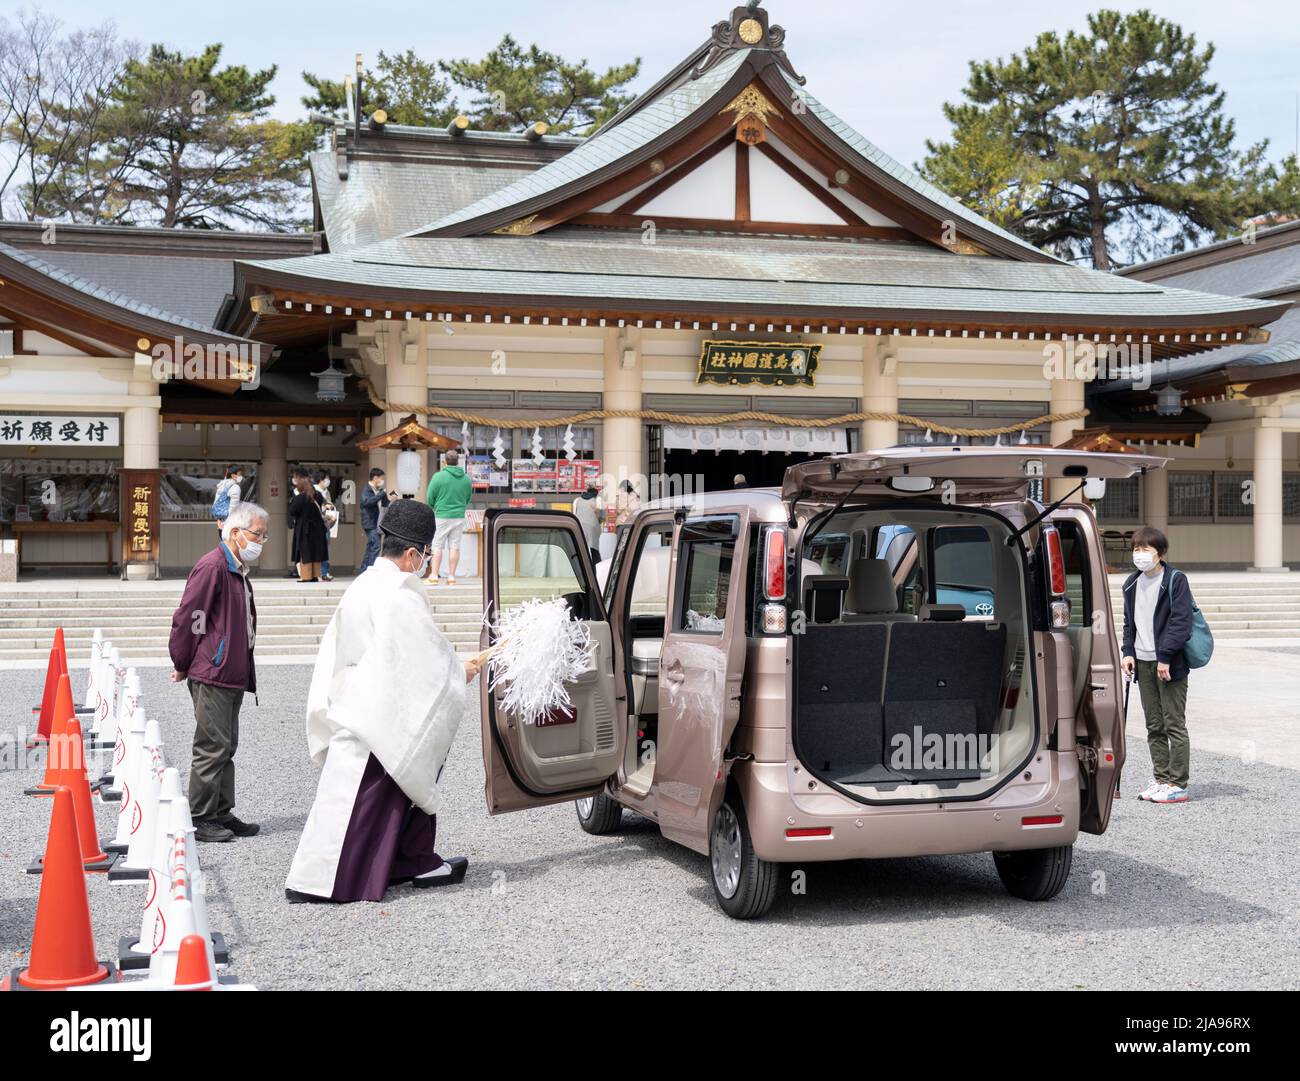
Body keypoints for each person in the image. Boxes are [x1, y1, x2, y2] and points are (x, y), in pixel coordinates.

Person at [284, 500, 486, 903]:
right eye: (426, 554)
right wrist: (457, 671)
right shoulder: (399, 592)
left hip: (356, 704)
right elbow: (423, 657)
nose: (426, 562)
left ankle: (405, 861)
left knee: (356, 797)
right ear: (413, 554)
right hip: (381, 713)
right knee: (386, 787)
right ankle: (344, 880)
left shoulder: (364, 583)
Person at [168, 502, 267, 843]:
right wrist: (182, 662)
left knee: (226, 745)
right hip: (213, 670)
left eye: (264, 536)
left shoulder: (235, 568)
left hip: (230, 670)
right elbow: (190, 616)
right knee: (212, 745)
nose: (261, 541)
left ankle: (221, 811)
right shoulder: (213, 567)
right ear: (235, 532)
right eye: (257, 534)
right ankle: (200, 816)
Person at [1121, 526, 1194, 805]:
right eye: (1136, 549)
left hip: (1168, 663)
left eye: (1146, 549)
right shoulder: (1131, 583)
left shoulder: (1175, 580)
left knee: (1174, 723)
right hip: (1143, 662)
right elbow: (1130, 622)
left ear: (1159, 553)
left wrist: (1165, 657)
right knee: (1154, 724)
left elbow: (1180, 622)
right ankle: (1161, 779)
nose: (1140, 555)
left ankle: (1178, 784)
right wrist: (1128, 652)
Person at [425, 449, 473, 585]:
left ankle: (434, 576)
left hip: (442, 515)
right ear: (458, 461)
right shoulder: (466, 479)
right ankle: (451, 577)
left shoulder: (438, 477)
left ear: (444, 461)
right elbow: (468, 498)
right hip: (458, 516)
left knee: (437, 545)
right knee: (454, 546)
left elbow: (430, 497)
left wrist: (436, 507)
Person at [290, 472, 328, 582]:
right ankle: (315, 575)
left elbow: (292, 511)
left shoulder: (300, 498)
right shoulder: (318, 496)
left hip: (304, 528)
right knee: (316, 551)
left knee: (305, 551)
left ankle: (306, 576)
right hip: (318, 528)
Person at [359, 467, 391, 573]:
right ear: (375, 478)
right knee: (376, 546)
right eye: (381, 478)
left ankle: (364, 570)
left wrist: (391, 499)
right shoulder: (367, 489)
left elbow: (386, 504)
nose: (382, 481)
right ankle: (370, 571)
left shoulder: (379, 491)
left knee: (371, 547)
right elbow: (367, 502)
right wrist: (382, 494)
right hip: (370, 523)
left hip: (378, 523)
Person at [314, 471, 339, 582]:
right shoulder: (313, 491)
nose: (328, 481)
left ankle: (323, 572)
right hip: (316, 524)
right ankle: (319, 573)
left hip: (326, 523)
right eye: (326, 479)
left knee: (324, 548)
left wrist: (330, 506)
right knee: (318, 548)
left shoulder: (326, 492)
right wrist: (324, 506)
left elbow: (329, 504)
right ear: (321, 480)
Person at [573, 485, 601, 564]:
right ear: (595, 494)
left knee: (581, 545)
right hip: (591, 526)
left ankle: (581, 563)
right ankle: (596, 563)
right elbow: (597, 514)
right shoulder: (594, 500)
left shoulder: (578, 500)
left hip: (580, 525)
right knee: (593, 546)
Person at [212, 465, 243, 536]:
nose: (241, 477)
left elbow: (216, 503)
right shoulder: (235, 487)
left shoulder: (221, 485)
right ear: (233, 475)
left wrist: (219, 520)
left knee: (224, 544)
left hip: (220, 523)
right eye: (239, 474)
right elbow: (233, 508)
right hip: (230, 525)